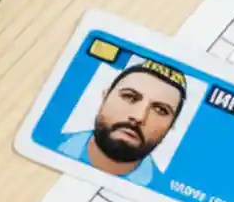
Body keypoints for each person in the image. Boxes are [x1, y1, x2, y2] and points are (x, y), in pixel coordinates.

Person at [57, 62, 186, 186]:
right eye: (130, 97)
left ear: (171, 125)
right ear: (105, 97)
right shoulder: (54, 144)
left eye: (160, 110)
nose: (138, 117)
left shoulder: (162, 194)